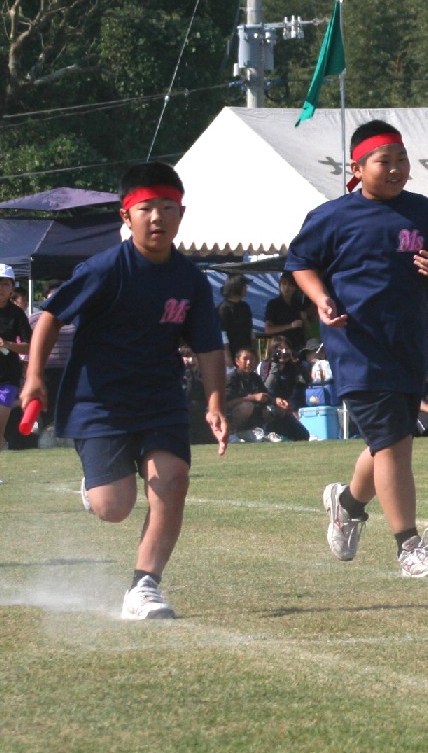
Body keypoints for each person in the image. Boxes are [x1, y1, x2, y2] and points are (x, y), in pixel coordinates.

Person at [18, 163, 228, 619]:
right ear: (125, 216)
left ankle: (144, 587)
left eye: (167, 209)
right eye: (146, 209)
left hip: (160, 399)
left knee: (172, 481)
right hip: (99, 403)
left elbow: (209, 345)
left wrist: (214, 401)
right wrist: (34, 375)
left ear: (181, 214)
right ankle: (96, 485)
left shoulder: (190, 278)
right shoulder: (104, 268)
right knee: (113, 508)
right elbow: (51, 317)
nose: (157, 218)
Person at [287, 119, 428, 578]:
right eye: (384, 162)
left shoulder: (422, 212)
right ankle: (408, 545)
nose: (395, 170)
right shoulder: (332, 216)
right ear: (358, 167)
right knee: (393, 446)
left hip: (406, 342)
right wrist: (322, 298)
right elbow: (301, 263)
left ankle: (346, 502)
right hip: (356, 344)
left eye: (401, 160)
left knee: (391, 440)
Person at [224, 348, 309, 442]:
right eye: (245, 359)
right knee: (246, 406)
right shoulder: (231, 378)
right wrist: (253, 398)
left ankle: (266, 433)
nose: (249, 362)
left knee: (279, 409)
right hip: (232, 416)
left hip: (254, 417)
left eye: (252, 359)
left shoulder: (255, 378)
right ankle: (231, 434)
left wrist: (276, 400)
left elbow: (265, 395)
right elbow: (227, 403)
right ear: (237, 361)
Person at [0, 264, 30, 481]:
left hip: (7, 378)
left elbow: (30, 345)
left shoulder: (17, 314)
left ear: (12, 288)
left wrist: (8, 345)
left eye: (4, 283)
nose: (0, 288)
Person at [263, 271, 311, 353]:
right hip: (280, 347)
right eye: (284, 284)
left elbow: (307, 328)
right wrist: (290, 326)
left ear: (295, 287)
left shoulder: (298, 304)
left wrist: (305, 319)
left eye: (290, 285)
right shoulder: (273, 304)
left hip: (298, 345)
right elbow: (268, 329)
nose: (286, 287)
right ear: (280, 285)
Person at [217, 274, 254, 359]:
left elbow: (250, 330)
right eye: (244, 286)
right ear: (236, 287)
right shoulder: (223, 308)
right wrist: (227, 356)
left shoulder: (245, 306)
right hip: (231, 353)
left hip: (246, 352)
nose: (246, 288)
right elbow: (223, 334)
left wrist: (254, 352)